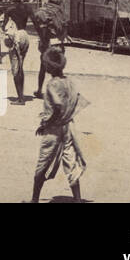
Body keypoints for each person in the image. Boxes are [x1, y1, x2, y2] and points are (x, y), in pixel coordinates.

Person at [31, 46, 88, 203]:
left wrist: (45, 124)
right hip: (68, 127)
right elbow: (76, 100)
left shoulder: (51, 84)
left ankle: (34, 200)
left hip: (54, 130)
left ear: (48, 67)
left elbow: (57, 106)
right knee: (70, 163)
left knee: (43, 161)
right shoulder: (69, 82)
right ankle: (77, 199)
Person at [1, 2, 31, 104]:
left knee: (15, 68)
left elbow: (4, 26)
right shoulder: (26, 8)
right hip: (25, 34)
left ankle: (20, 98)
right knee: (20, 66)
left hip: (16, 36)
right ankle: (21, 95)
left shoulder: (9, 9)